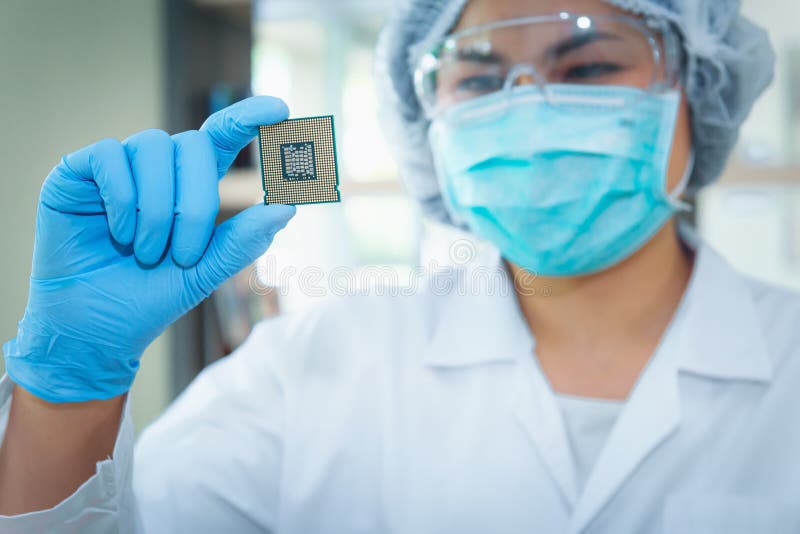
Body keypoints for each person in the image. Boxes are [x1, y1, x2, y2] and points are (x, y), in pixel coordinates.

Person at [1, 0, 798, 532]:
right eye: (480, 78)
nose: (525, 106)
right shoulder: (314, 365)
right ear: (429, 122)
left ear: (700, 88)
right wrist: (68, 395)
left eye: (588, 69)